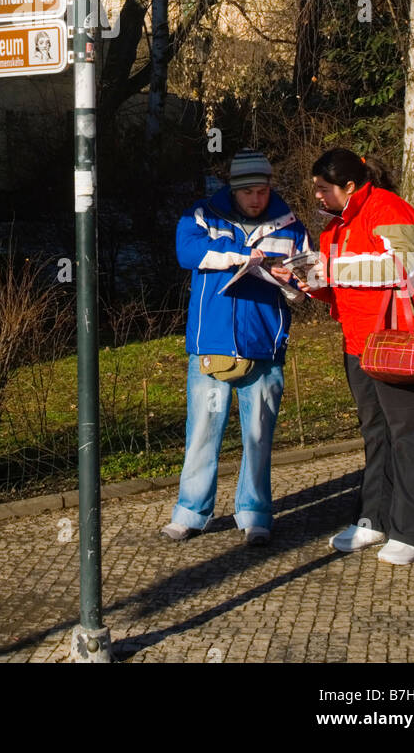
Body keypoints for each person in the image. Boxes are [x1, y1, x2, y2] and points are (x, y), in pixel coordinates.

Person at [282, 148, 414, 566]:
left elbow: (401, 266)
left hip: (402, 342)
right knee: (376, 432)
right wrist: (307, 280)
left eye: (323, 189)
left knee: (407, 434)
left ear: (350, 186)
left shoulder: (390, 208)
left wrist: (332, 269)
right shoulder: (334, 226)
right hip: (359, 343)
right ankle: (374, 517)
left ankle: (412, 530)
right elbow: (342, 284)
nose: (317, 196)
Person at [162, 149, 311, 545]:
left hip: (265, 345)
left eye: (262, 191)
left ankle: (255, 512)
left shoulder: (291, 224)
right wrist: (247, 256)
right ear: (232, 189)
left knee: (260, 435)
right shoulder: (202, 216)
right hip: (211, 345)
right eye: (248, 192)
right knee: (203, 432)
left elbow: (305, 280)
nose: (256, 200)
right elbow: (187, 253)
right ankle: (191, 512)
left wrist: (292, 280)